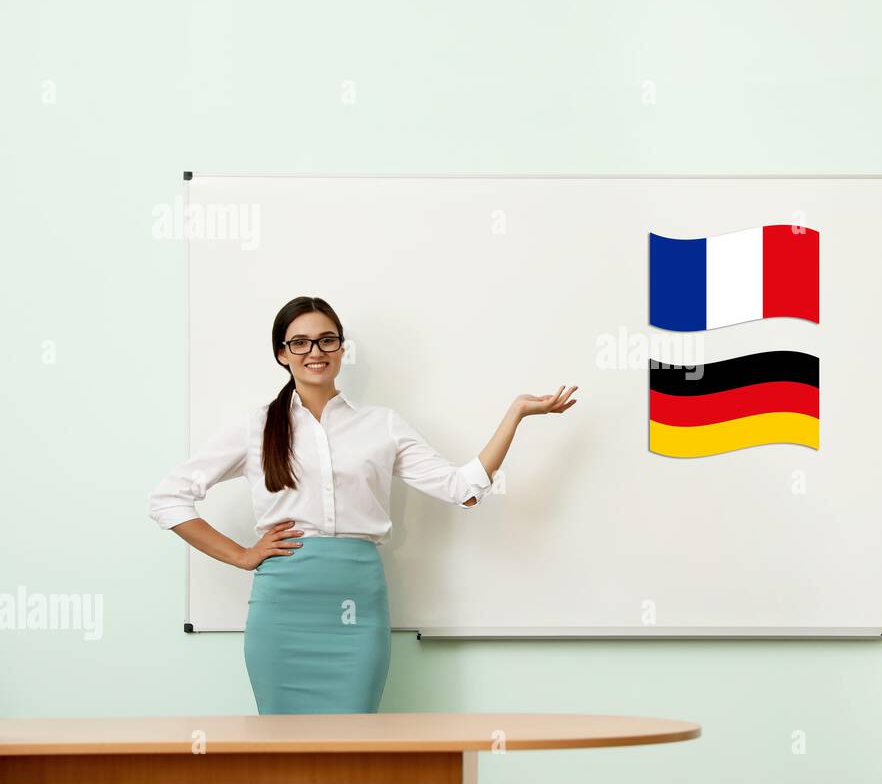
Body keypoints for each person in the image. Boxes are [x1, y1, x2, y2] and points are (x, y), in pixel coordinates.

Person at [147, 295, 577, 714]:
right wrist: (243, 556)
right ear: (282, 353)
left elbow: (462, 489)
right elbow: (168, 497)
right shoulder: (255, 427)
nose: (315, 351)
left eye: (327, 339)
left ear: (341, 348)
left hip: (358, 605)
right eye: (300, 342)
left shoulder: (381, 425)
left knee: (353, 747)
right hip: (283, 608)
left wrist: (517, 412)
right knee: (282, 750)